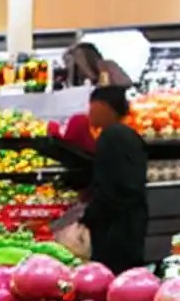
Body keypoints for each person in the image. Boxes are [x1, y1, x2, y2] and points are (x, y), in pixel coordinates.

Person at [54, 86, 148, 271]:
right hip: (132, 221)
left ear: (104, 107)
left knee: (110, 274)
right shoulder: (129, 135)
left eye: (92, 107)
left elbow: (112, 187)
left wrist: (89, 218)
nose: (89, 114)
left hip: (115, 228)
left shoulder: (112, 136)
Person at [65, 42, 134, 88]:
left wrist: (87, 70)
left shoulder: (105, 65)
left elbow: (104, 86)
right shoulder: (78, 76)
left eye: (79, 57)